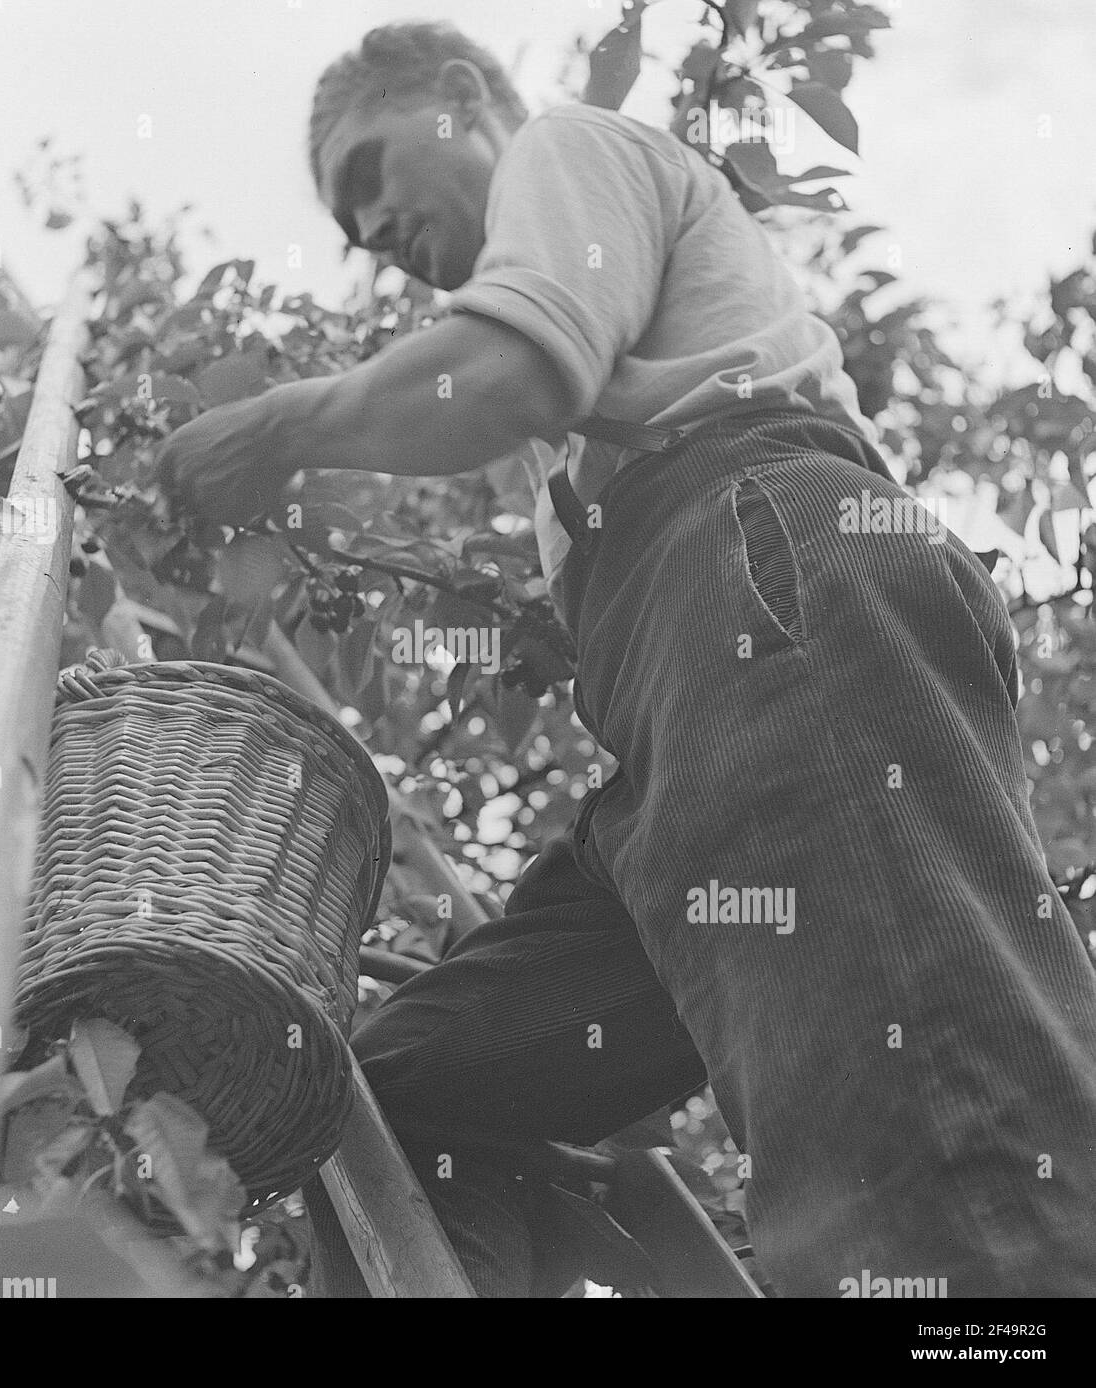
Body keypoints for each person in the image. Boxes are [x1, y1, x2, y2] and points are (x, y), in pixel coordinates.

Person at [157, 22, 1096, 1297]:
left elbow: (509, 373)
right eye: (345, 218)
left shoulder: (567, 146)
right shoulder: (594, 430)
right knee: (403, 1087)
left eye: (369, 174)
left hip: (771, 590)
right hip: (690, 715)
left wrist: (280, 427)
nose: (367, 229)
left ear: (456, 99)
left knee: (920, 1114)